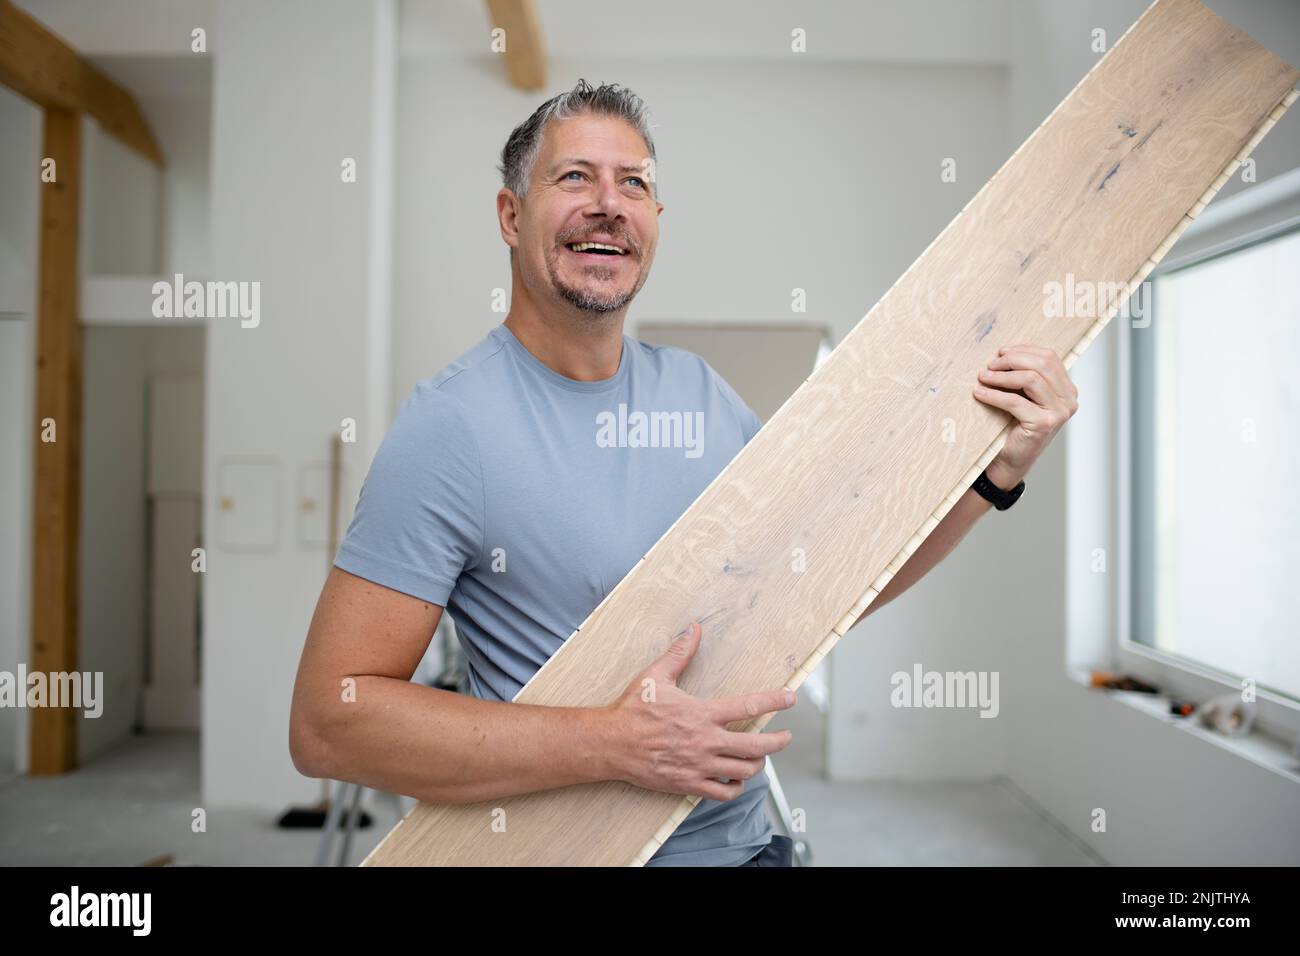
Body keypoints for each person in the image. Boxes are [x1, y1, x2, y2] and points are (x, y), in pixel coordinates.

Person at [289, 80, 1078, 867]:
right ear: (509, 216)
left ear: (654, 223)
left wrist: (993, 479)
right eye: (574, 177)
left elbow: (826, 589)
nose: (609, 203)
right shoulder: (451, 427)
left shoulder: (700, 396)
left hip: (747, 851)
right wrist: (614, 744)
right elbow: (330, 723)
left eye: (634, 183)